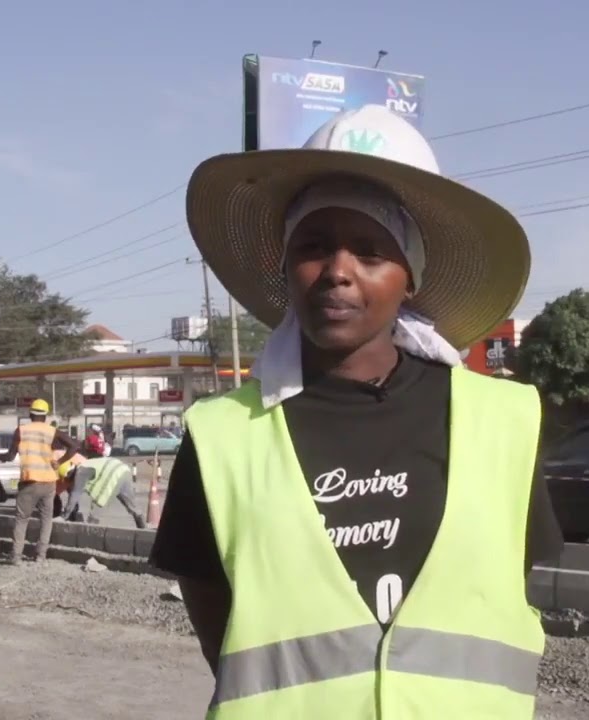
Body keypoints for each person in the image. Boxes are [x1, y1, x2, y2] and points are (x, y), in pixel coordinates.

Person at [149, 105, 563, 717]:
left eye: (370, 252)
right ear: (287, 267)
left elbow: (504, 582)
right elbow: (221, 630)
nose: (338, 272)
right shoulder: (221, 438)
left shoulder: (505, 421)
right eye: (314, 247)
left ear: (410, 277)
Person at [0, 399, 80, 564]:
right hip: (48, 481)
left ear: (30, 414)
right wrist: (60, 461)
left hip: (28, 480)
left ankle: (16, 556)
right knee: (46, 519)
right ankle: (40, 556)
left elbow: (10, 456)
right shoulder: (52, 431)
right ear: (46, 415)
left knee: (22, 519)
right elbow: (74, 446)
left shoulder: (21, 431)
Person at [64, 454, 147, 528]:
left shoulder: (81, 471)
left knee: (97, 506)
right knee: (132, 506)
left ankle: (91, 534)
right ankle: (144, 530)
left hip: (113, 473)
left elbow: (75, 494)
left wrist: (65, 515)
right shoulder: (87, 464)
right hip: (123, 469)